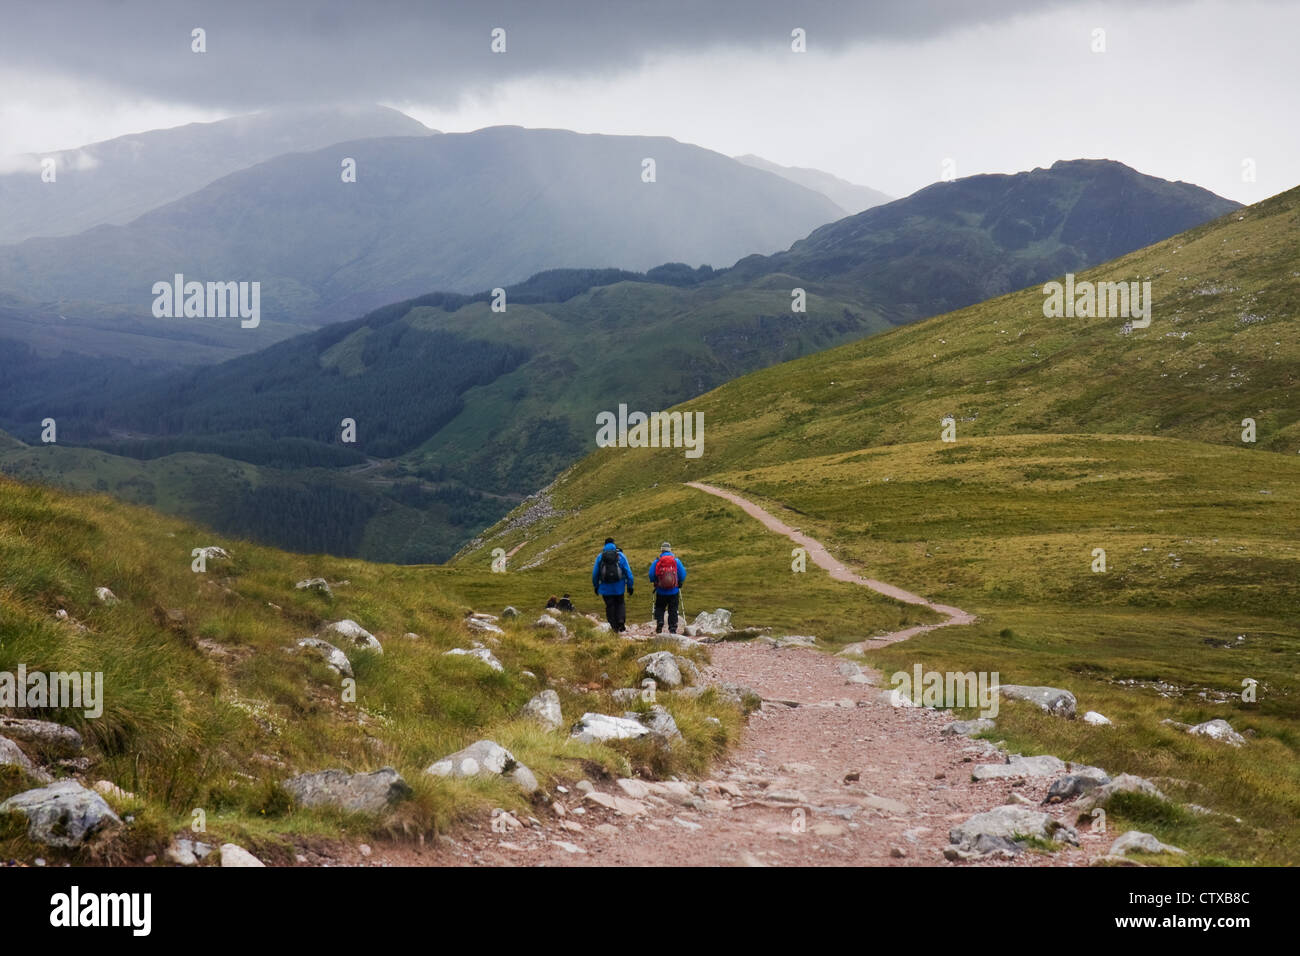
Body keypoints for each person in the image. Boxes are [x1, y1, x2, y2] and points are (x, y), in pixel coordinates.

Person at [592, 537, 634, 632]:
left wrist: (596, 586)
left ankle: (614, 627)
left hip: (605, 588)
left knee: (610, 606)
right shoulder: (620, 556)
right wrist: (630, 586)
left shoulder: (600, 557)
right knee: (620, 603)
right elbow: (628, 572)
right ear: (614, 544)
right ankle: (621, 621)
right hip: (619, 587)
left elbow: (595, 574)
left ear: (605, 545)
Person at [648, 541, 686, 634]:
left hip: (661, 590)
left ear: (661, 550)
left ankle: (660, 622)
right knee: (673, 609)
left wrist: (655, 581)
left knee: (660, 607)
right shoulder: (676, 561)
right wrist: (680, 582)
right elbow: (683, 574)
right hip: (674, 590)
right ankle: (672, 628)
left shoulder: (657, 561)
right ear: (670, 550)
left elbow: (651, 574)